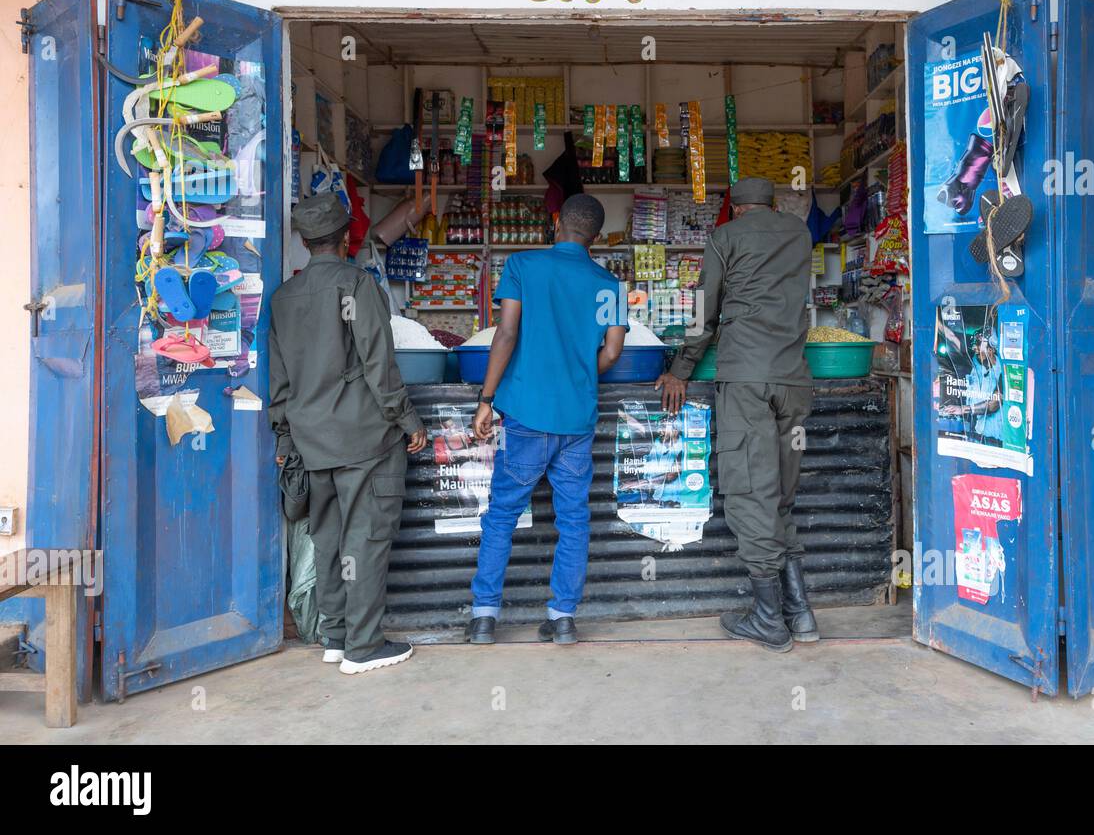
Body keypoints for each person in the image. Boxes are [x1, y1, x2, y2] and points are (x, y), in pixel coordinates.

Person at [653, 177, 816, 653]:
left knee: (750, 491)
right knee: (782, 495)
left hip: (747, 377)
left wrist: (681, 368)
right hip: (793, 379)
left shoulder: (725, 237)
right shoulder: (800, 233)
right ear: (769, 203)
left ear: (736, 208)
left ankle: (769, 620)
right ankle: (800, 613)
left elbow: (705, 311)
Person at [268, 194, 428, 675]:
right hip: (364, 441)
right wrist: (408, 420)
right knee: (367, 540)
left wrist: (285, 438)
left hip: (311, 442)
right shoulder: (356, 285)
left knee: (330, 541)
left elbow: (280, 383)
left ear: (303, 240)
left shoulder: (282, 298)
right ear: (345, 237)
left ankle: (335, 636)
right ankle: (363, 646)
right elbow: (380, 366)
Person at [465, 194, 627, 646]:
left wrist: (487, 398)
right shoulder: (609, 286)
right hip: (577, 419)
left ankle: (483, 618)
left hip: (526, 415)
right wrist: (574, 372)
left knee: (501, 515)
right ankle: (562, 620)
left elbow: (507, 332)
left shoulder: (523, 267)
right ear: (595, 237)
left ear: (556, 223)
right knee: (573, 519)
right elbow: (612, 352)